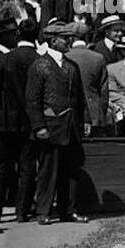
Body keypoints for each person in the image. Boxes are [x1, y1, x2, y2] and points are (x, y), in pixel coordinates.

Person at [24, 20, 89, 224]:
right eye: (65, 38)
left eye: (70, 37)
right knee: (47, 172)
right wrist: (39, 127)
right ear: (53, 40)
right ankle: (43, 212)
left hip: (71, 127)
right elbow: (32, 100)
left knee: (70, 172)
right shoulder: (39, 65)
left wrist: (85, 120)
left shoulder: (72, 66)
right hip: (50, 128)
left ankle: (67, 211)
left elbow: (79, 97)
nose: (70, 41)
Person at [0, 16, 42, 224]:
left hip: (3, 122)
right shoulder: (39, 61)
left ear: (18, 34)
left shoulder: (3, 60)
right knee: (27, 170)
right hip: (28, 124)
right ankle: (22, 212)